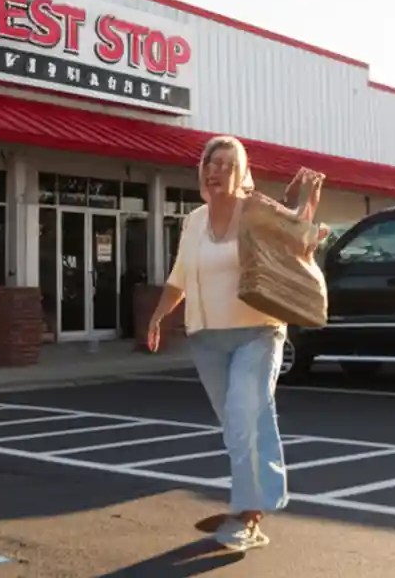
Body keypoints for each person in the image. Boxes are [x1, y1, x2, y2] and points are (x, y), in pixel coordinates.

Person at [146, 135, 324, 552]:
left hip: (258, 332)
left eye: (227, 163)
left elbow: (300, 237)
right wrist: (158, 315)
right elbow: (180, 276)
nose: (216, 170)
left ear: (241, 173)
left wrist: (307, 198)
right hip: (207, 338)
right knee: (237, 426)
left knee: (246, 413)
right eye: (211, 162)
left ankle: (246, 513)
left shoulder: (255, 210)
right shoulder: (193, 221)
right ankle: (255, 505)